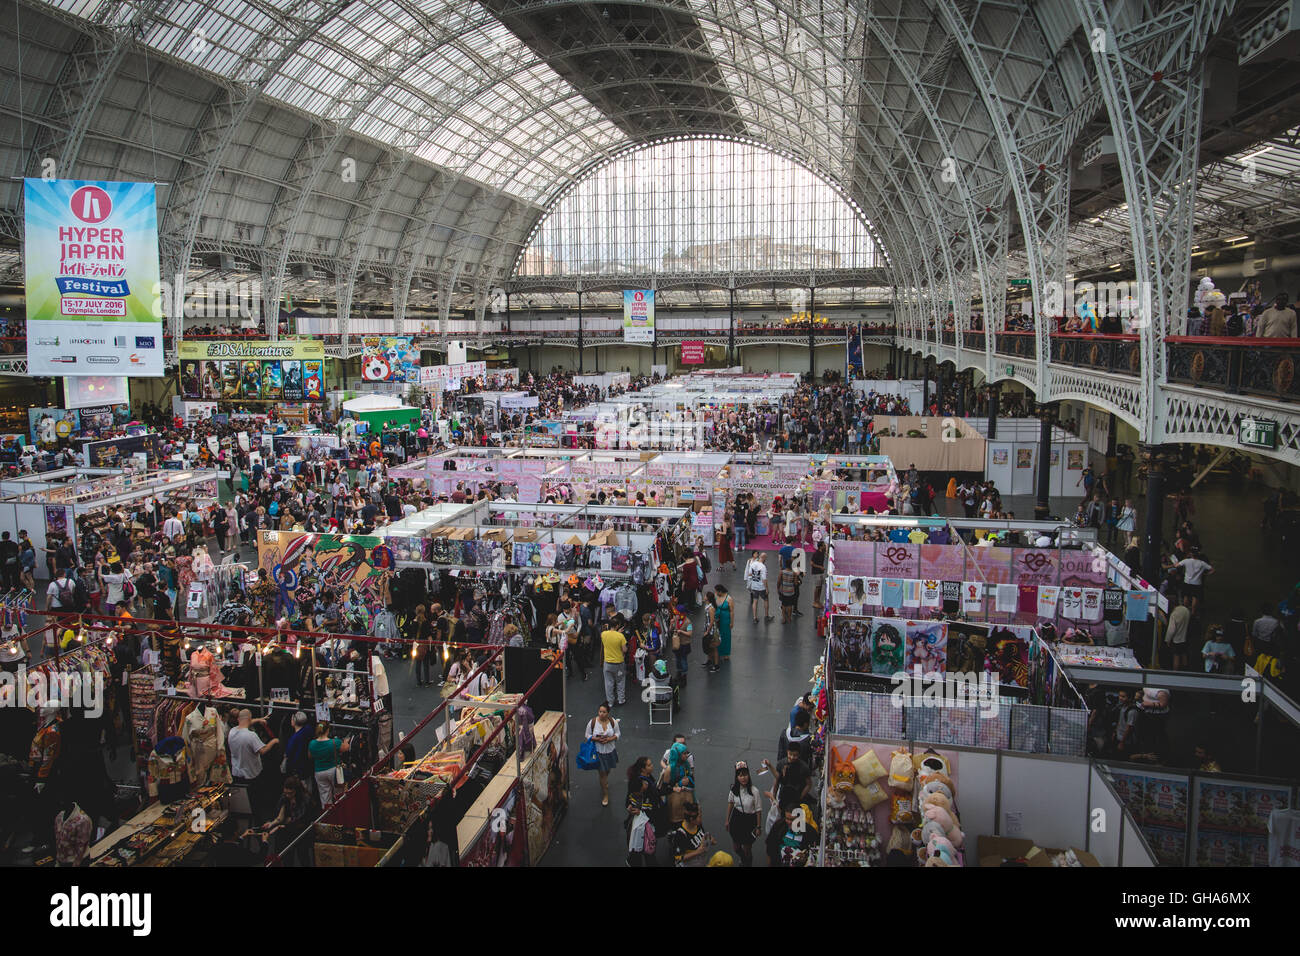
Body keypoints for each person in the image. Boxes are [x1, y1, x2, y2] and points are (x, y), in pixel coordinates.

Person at [227, 709, 279, 823]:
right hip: (251, 775)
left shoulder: (232, 732)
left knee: (241, 803)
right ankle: (258, 823)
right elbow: (263, 750)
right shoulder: (251, 736)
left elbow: (245, 722)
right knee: (255, 803)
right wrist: (274, 741)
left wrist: (258, 720)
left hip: (237, 773)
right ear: (249, 719)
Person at [724, 761, 762, 866]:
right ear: (737, 777)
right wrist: (727, 820)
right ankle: (743, 859)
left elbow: (758, 810)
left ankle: (747, 862)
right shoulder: (734, 790)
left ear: (749, 775)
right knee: (736, 847)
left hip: (750, 821)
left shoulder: (755, 791)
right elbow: (730, 803)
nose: (743, 778)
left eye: (745, 775)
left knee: (747, 848)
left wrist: (758, 827)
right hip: (736, 819)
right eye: (740, 775)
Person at [584, 702, 620, 807]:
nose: (601, 714)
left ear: (608, 713)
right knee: (602, 773)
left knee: (607, 770)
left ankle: (603, 782)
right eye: (600, 711)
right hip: (598, 751)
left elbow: (618, 734)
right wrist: (597, 739)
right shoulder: (593, 722)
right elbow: (587, 735)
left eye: (604, 712)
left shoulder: (613, 722)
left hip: (610, 750)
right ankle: (605, 794)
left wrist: (610, 739)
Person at [308, 721, 351, 806]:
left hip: (319, 772)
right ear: (327, 730)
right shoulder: (335, 742)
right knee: (338, 795)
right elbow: (346, 748)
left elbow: (310, 756)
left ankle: (328, 815)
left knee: (325, 797)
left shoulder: (312, 744)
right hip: (334, 771)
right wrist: (346, 741)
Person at [669, 801, 715, 866]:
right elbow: (678, 858)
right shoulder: (680, 835)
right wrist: (697, 852)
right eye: (699, 817)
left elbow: (702, 835)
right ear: (692, 819)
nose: (701, 819)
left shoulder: (697, 824)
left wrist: (709, 839)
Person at [600, 614, 628, 707]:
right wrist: (619, 633)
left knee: (608, 683)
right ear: (617, 626)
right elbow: (624, 650)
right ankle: (621, 699)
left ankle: (610, 702)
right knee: (620, 681)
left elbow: (608, 634)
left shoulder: (603, 634)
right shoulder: (621, 637)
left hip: (607, 663)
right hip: (619, 663)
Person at [1174, 548, 1213, 613]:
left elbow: (1176, 565)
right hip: (1197, 583)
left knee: (1186, 596)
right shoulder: (1202, 563)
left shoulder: (1186, 561)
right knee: (1195, 598)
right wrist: (1206, 574)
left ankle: (1185, 611)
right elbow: (1212, 569)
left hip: (1187, 582)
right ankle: (1193, 612)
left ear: (1191, 554)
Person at [1164, 594, 1192, 670]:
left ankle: (1175, 672)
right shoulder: (1185, 610)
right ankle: (1185, 670)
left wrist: (1167, 640)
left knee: (1176, 657)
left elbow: (1171, 629)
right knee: (1184, 655)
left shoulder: (1173, 614)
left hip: (1177, 639)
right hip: (1185, 637)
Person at [745, 550, 771, 624]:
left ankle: (754, 618)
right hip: (761, 587)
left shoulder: (753, 564)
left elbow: (749, 574)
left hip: (754, 586)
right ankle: (766, 616)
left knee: (755, 601)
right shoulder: (763, 567)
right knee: (766, 599)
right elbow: (764, 579)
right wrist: (767, 588)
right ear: (764, 558)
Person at [670, 603, 693, 680]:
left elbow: (689, 633)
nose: (677, 615)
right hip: (677, 644)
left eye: (678, 614)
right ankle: (678, 672)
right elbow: (670, 631)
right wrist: (671, 624)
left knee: (683, 659)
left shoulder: (688, 622)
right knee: (677, 659)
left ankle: (684, 674)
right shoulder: (676, 619)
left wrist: (681, 631)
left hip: (684, 644)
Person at [714, 584, 734, 664]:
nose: (715, 592)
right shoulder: (716, 596)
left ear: (720, 591)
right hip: (717, 619)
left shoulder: (729, 599)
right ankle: (718, 651)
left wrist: (732, 622)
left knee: (726, 636)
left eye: (716, 591)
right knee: (717, 635)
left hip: (725, 619)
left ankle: (726, 653)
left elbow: (732, 611)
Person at [702, 590, 720, 673]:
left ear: (708, 598)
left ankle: (716, 665)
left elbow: (712, 621)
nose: (704, 597)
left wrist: (708, 631)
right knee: (709, 646)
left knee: (714, 647)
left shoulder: (711, 609)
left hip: (712, 631)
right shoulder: (707, 606)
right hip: (708, 629)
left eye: (705, 596)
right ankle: (709, 661)